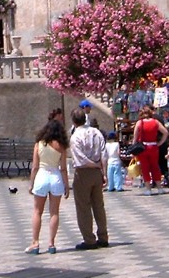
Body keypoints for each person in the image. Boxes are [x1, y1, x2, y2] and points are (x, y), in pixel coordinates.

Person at [24, 119, 70, 255]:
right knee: (54, 212)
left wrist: (31, 184)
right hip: (55, 176)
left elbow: (35, 167)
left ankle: (35, 242)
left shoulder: (39, 144)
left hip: (42, 176)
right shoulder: (61, 146)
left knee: (37, 211)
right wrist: (66, 185)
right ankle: (51, 243)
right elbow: (63, 168)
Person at [69, 107, 108, 250]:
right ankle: (103, 236)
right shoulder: (96, 132)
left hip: (83, 172)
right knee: (99, 205)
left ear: (73, 121)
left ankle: (89, 239)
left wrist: (94, 165)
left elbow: (81, 158)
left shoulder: (75, 137)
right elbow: (104, 153)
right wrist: (103, 171)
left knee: (83, 206)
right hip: (97, 172)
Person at [134, 105, 168, 194]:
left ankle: (148, 189)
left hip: (143, 147)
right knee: (155, 167)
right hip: (153, 146)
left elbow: (135, 137)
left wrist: (134, 147)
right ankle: (159, 187)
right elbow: (165, 132)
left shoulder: (139, 123)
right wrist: (160, 143)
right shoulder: (155, 122)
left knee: (145, 168)